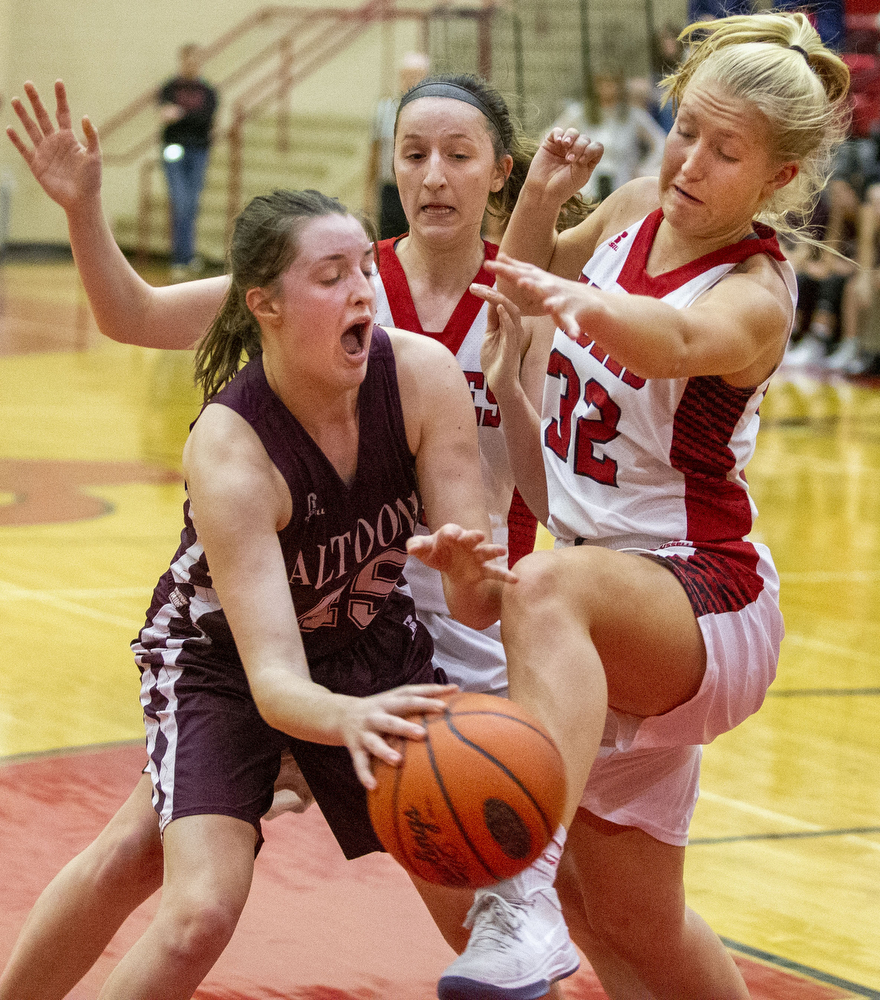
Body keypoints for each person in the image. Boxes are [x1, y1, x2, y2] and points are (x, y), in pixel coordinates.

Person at [3, 76, 584, 999]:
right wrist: (84, 210)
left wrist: (477, 575)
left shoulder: (452, 343)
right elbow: (136, 316)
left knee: (485, 900)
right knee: (178, 895)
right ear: (265, 304)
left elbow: (503, 550)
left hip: (377, 632)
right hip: (231, 652)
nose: (359, 292)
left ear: (495, 172)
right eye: (414, 153)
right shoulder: (238, 435)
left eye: (459, 155)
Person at [434, 11, 850, 999]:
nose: (690, 162)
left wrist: (577, 302)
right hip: (604, 613)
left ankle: (514, 890)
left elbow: (667, 341)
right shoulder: (630, 205)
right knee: (627, 920)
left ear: (775, 180)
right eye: (685, 131)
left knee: (542, 588)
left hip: (703, 600)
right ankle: (544, 899)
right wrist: (536, 200)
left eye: (725, 149)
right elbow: (520, 282)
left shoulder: (754, 291)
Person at [553, 70, 667, 203]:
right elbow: (553, 136)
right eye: (603, 83)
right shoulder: (579, 113)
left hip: (622, 186)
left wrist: (643, 168)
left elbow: (661, 142)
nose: (607, 88)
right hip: (587, 191)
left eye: (612, 83)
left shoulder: (633, 115)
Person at [158, 43, 218, 279]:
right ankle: (180, 258)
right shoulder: (169, 88)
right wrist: (186, 118)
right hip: (174, 149)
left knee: (191, 204)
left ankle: (188, 254)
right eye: (187, 60)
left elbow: (205, 120)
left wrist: (180, 115)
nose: (191, 64)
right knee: (180, 201)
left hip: (199, 151)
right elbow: (165, 116)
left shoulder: (208, 91)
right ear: (181, 61)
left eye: (196, 60)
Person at [364, 51, 430, 240]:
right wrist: (368, 196)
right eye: (406, 76)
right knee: (388, 243)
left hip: (418, 188)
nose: (410, 81)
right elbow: (375, 153)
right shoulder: (385, 110)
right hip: (390, 190)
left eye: (416, 76)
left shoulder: (432, 113)